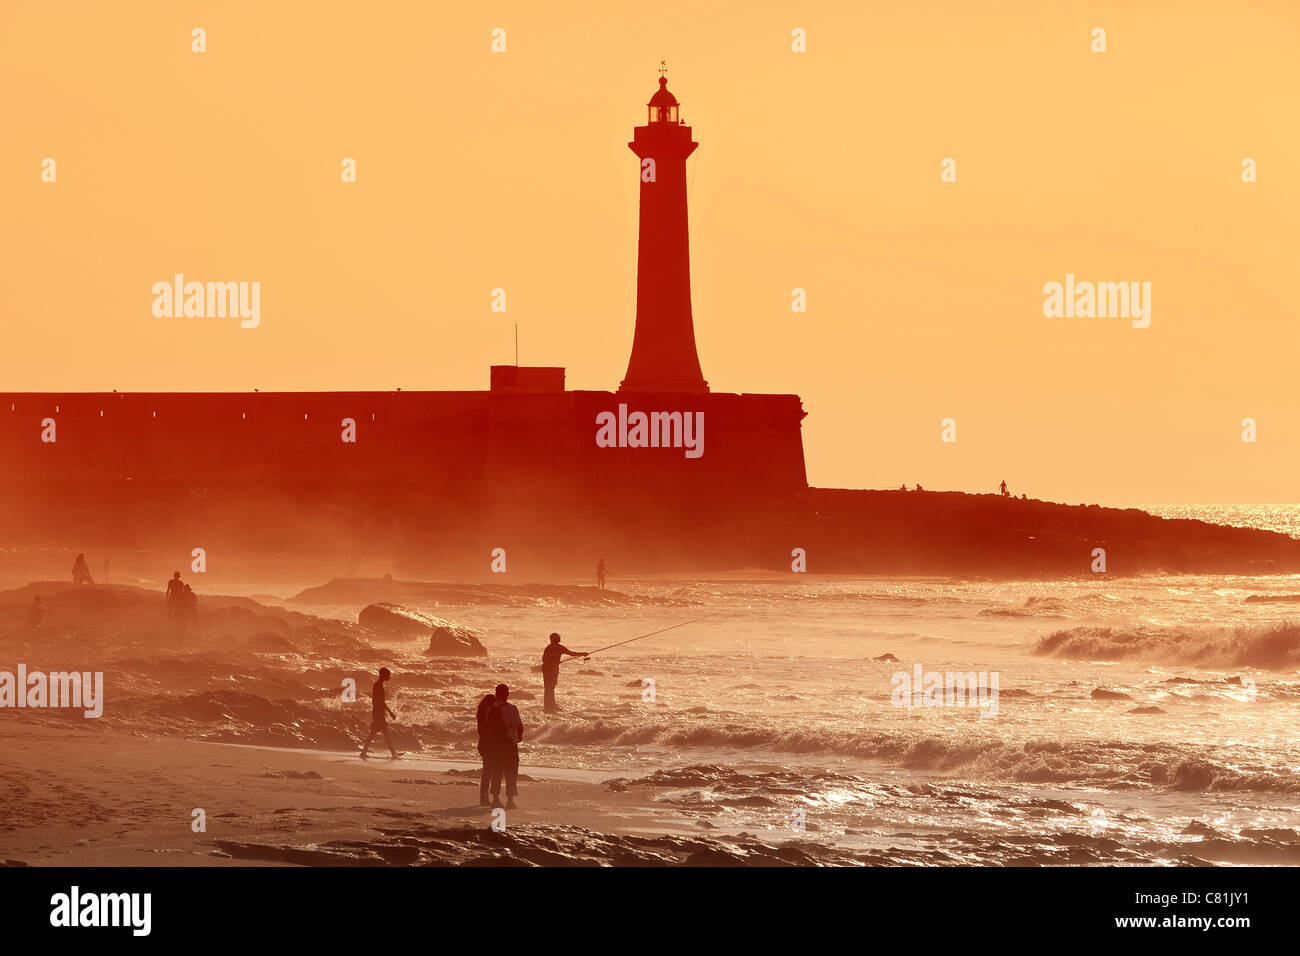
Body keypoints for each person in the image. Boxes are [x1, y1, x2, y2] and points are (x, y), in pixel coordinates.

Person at [483, 683, 523, 809]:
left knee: (497, 771)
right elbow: (519, 726)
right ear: (507, 694)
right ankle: (510, 800)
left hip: (495, 745)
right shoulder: (512, 708)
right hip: (509, 744)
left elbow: (487, 727)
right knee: (511, 772)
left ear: (496, 694)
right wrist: (519, 737)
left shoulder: (490, 709)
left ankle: (495, 799)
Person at [541, 632, 587, 714]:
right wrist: (583, 653)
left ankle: (548, 706)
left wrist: (554, 661)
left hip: (546, 669)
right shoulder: (559, 647)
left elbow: (543, 659)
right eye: (558, 637)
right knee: (551, 688)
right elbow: (572, 653)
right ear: (557, 639)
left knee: (548, 688)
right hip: (552, 669)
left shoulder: (548, 647)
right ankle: (551, 706)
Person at [360, 667, 400, 760]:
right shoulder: (378, 686)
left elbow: (378, 701)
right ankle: (393, 753)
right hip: (378, 713)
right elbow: (379, 701)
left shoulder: (378, 685)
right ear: (383, 675)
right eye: (388, 675)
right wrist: (390, 713)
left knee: (379, 733)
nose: (389, 677)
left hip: (378, 712)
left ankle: (393, 753)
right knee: (377, 733)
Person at [475, 691, 497, 806]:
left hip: (483, 745)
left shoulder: (480, 716)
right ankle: (489, 798)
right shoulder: (490, 716)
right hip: (491, 745)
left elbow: (482, 733)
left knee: (487, 772)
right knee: (491, 771)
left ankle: (484, 798)